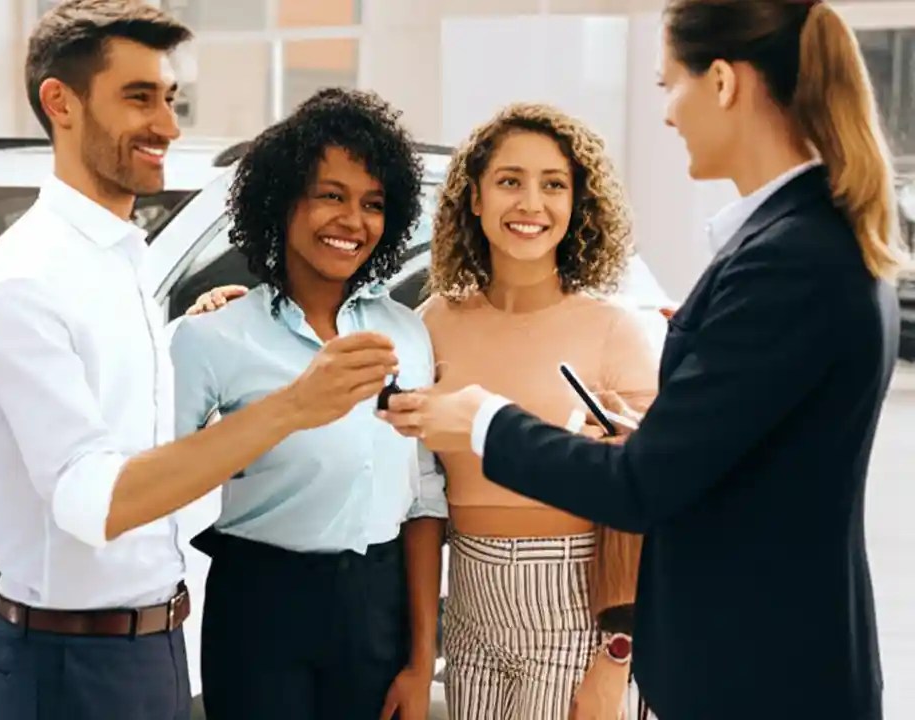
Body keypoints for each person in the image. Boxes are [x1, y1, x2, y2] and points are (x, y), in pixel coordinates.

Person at [379, 1, 903, 718]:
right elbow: (734, 464)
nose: (666, 114)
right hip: (764, 664)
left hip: (761, 677)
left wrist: (482, 421)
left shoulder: (789, 260)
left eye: (667, 85)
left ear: (722, 82)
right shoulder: (804, 242)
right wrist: (654, 438)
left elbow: (642, 489)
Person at [0, 3, 398, 719]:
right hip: (71, 665)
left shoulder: (117, 258)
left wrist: (186, 340)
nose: (167, 125)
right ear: (60, 102)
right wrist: (292, 406)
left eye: (170, 98)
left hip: (152, 647)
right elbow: (93, 502)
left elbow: (130, 423)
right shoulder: (26, 281)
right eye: (139, 98)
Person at [170, 87, 442, 720]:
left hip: (378, 607)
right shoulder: (214, 336)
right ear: (282, 200)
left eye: (372, 204)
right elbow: (159, 485)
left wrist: (420, 661)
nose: (353, 221)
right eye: (331, 195)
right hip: (260, 608)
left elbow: (424, 498)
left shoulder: (407, 333)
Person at [417, 102, 659, 720]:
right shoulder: (434, 322)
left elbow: (656, 511)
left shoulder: (615, 330)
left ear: (578, 203)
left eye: (553, 185)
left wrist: (617, 659)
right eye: (510, 181)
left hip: (578, 617)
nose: (531, 203)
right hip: (468, 610)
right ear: (474, 197)